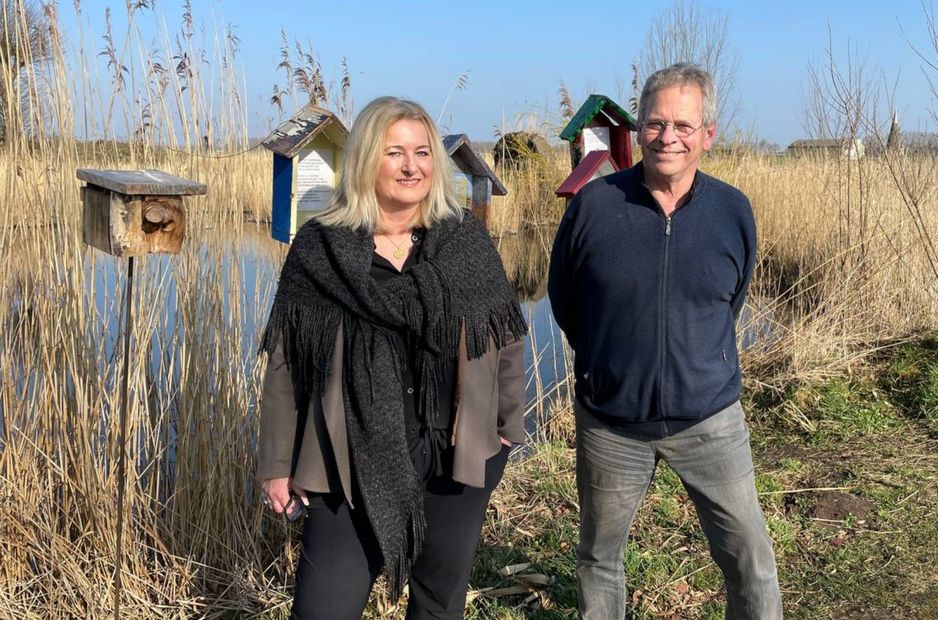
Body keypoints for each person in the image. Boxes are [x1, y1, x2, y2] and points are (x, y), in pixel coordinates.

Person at [256, 96, 528, 620]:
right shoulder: (321, 248)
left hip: (454, 454)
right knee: (322, 607)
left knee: (438, 600)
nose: (412, 166)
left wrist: (504, 429)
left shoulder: (464, 239)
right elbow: (287, 362)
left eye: (423, 152)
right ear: (364, 162)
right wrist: (276, 464)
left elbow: (505, 336)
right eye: (395, 152)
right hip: (348, 458)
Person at [548, 63, 783, 619]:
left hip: (710, 420)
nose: (668, 137)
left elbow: (730, 299)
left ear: (708, 134)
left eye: (683, 124)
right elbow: (565, 300)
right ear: (639, 129)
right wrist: (611, 363)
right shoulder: (594, 206)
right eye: (655, 123)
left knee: (750, 557)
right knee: (600, 559)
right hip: (612, 422)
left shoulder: (733, 211)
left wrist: (698, 364)